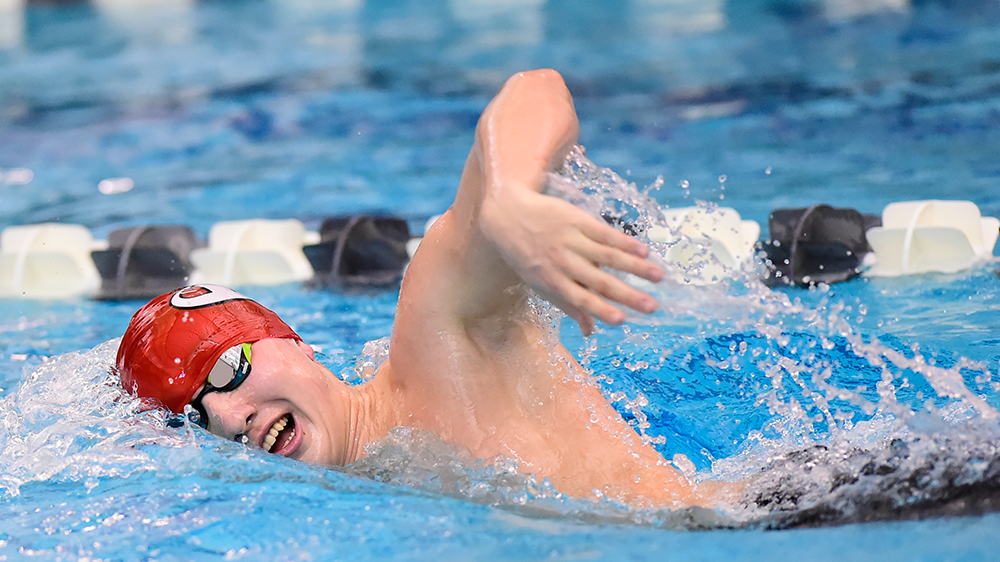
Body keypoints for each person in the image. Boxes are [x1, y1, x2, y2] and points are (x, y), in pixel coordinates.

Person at [116, 69, 737, 509]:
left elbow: (535, 90)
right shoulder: (369, 486)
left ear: (295, 342)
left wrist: (507, 200)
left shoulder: (437, 339)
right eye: (196, 415)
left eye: (227, 369)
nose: (228, 416)